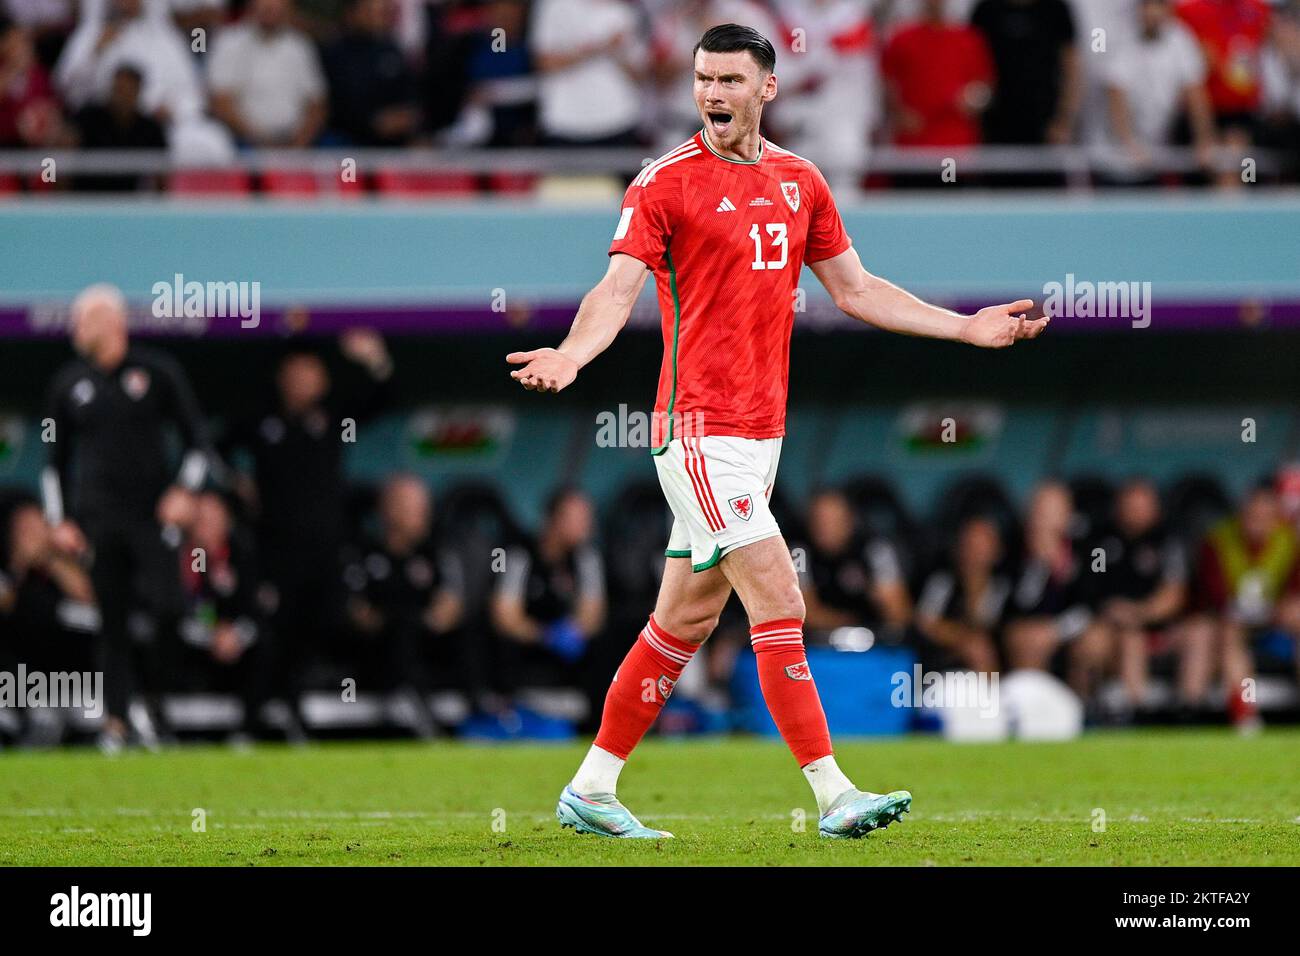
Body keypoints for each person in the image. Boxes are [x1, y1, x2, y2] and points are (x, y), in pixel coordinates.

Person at [507, 23, 1047, 839]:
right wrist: (574, 354)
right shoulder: (663, 183)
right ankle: (834, 796)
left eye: (729, 79)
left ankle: (591, 786)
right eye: (702, 79)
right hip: (694, 432)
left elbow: (857, 290)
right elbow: (616, 288)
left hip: (759, 442)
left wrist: (965, 328)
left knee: (682, 622)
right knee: (780, 593)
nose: (713, 94)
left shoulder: (800, 181)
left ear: (767, 88)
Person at [42, 283, 211, 752]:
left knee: (170, 608)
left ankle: (153, 704)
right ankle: (116, 722)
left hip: (152, 519)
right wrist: (61, 521)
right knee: (110, 622)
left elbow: (197, 441)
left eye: (83, 319)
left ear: (112, 322)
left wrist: (183, 490)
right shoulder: (67, 385)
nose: (75, 329)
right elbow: (53, 461)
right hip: (98, 523)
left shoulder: (158, 373)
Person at [342, 474, 466, 736]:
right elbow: (358, 614)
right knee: (401, 626)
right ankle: (406, 700)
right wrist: (395, 619)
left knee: (468, 633)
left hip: (428, 645)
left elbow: (450, 606)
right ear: (389, 510)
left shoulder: (436, 552)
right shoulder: (362, 553)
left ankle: (491, 708)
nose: (423, 515)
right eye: (414, 508)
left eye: (424, 507)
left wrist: (424, 621)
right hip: (376, 650)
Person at [1185, 483, 1300, 733]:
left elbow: (1294, 589)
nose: (1256, 523)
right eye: (1251, 515)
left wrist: (1283, 607)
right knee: (1229, 635)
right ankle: (1245, 715)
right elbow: (1212, 595)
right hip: (1233, 622)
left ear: (1276, 517)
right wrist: (1236, 611)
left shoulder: (1290, 541)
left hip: (1277, 624)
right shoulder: (1218, 540)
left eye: (1264, 517)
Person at [1079, 478, 1187, 716]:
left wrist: (1139, 613)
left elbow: (1174, 593)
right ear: (1118, 508)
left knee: (1134, 637)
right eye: (1130, 507)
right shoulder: (1101, 542)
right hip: (1108, 624)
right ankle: (1084, 712)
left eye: (1142, 507)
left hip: (1157, 627)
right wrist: (1113, 611)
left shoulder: (1167, 540)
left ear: (1155, 509)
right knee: (1091, 641)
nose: (1135, 513)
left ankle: (1157, 713)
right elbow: (1091, 587)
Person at [490, 487, 606, 694]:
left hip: (569, 650)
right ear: (554, 520)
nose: (587, 526)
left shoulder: (587, 556)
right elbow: (505, 617)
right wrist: (546, 636)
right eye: (578, 519)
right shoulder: (517, 553)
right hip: (527, 645)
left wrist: (573, 632)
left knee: (606, 646)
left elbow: (593, 615)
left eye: (587, 518)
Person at [798, 488, 911, 646]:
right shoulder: (798, 551)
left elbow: (899, 615)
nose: (824, 528)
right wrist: (854, 621)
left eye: (834, 520)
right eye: (819, 520)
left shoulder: (875, 550)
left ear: (851, 520)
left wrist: (881, 604)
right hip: (814, 648)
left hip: (873, 648)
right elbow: (804, 614)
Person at [208, 0, 327, 147]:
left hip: (297, 143)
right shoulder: (228, 42)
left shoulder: (300, 45)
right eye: (265, 7)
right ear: (251, 6)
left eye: (276, 7)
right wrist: (262, 142)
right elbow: (220, 102)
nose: (271, 11)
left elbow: (317, 105)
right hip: (243, 142)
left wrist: (298, 144)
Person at [914, 515, 1008, 674]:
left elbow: (997, 629)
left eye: (982, 546)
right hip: (941, 661)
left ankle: (995, 697)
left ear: (998, 550)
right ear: (957, 548)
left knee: (981, 649)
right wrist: (962, 639)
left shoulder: (1005, 587)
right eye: (970, 545)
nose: (975, 552)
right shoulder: (942, 582)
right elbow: (924, 623)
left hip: (998, 661)